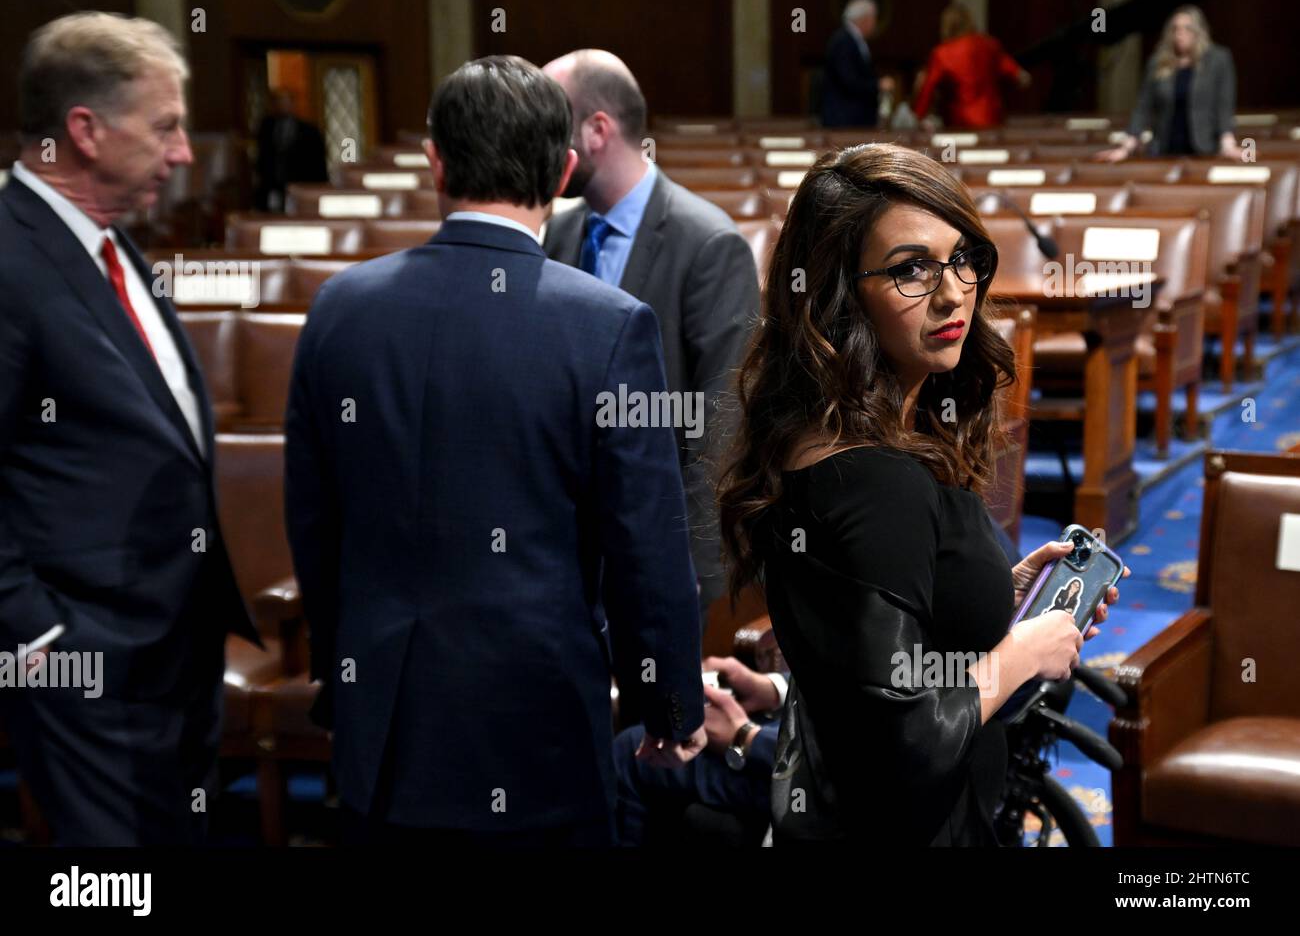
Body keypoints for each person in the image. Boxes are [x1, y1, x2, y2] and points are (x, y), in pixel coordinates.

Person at [285, 55, 706, 847]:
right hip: (538, 722)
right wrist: (670, 708)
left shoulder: (340, 308)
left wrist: (348, 671)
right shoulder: (611, 326)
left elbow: (314, 522)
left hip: (387, 718)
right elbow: (647, 543)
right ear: (564, 168)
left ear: (435, 162)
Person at [716, 144, 1128, 845]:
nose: (954, 293)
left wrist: (990, 587)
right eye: (911, 269)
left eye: (964, 258)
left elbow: (867, 655)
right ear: (837, 292)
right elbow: (910, 743)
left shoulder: (814, 439)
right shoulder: (880, 484)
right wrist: (1023, 653)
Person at [0, 12, 256, 845]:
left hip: (168, 648)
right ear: (85, 130)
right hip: (86, 661)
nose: (184, 152)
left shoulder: (104, 244)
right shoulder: (10, 258)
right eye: (167, 126)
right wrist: (36, 636)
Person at [540, 49, 759, 626]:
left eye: (549, 125)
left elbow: (722, 421)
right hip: (563, 548)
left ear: (597, 130)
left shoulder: (708, 243)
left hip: (659, 544)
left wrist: (682, 567)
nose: (537, 144)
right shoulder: (556, 234)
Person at [613, 656, 785, 845]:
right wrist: (774, 688)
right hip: (794, 722)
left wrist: (745, 737)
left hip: (804, 778)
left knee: (634, 750)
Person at [1096, 5, 1241, 162]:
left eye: (1187, 29)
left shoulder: (1218, 60)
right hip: (1164, 148)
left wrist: (1228, 143)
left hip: (1205, 148)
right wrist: (1126, 147)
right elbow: (1143, 107)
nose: (1180, 34)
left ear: (1198, 32)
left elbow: (1224, 105)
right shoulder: (1157, 62)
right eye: (1175, 29)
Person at [912, 4, 1030, 130]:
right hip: (992, 118)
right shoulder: (989, 45)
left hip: (960, 122)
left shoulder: (942, 54)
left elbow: (928, 88)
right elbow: (1020, 75)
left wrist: (918, 115)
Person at [254, 88, 329, 211]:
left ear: (292, 104)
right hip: (273, 186)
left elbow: (318, 163)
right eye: (278, 102)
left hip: (301, 185)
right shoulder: (266, 127)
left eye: (285, 101)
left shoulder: (309, 131)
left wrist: (319, 188)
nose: (282, 105)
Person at [821, 0, 880, 128]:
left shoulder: (853, 39)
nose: (874, 23)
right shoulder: (843, 41)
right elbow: (849, 80)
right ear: (865, 19)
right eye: (873, 18)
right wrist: (877, 85)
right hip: (845, 119)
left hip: (855, 117)